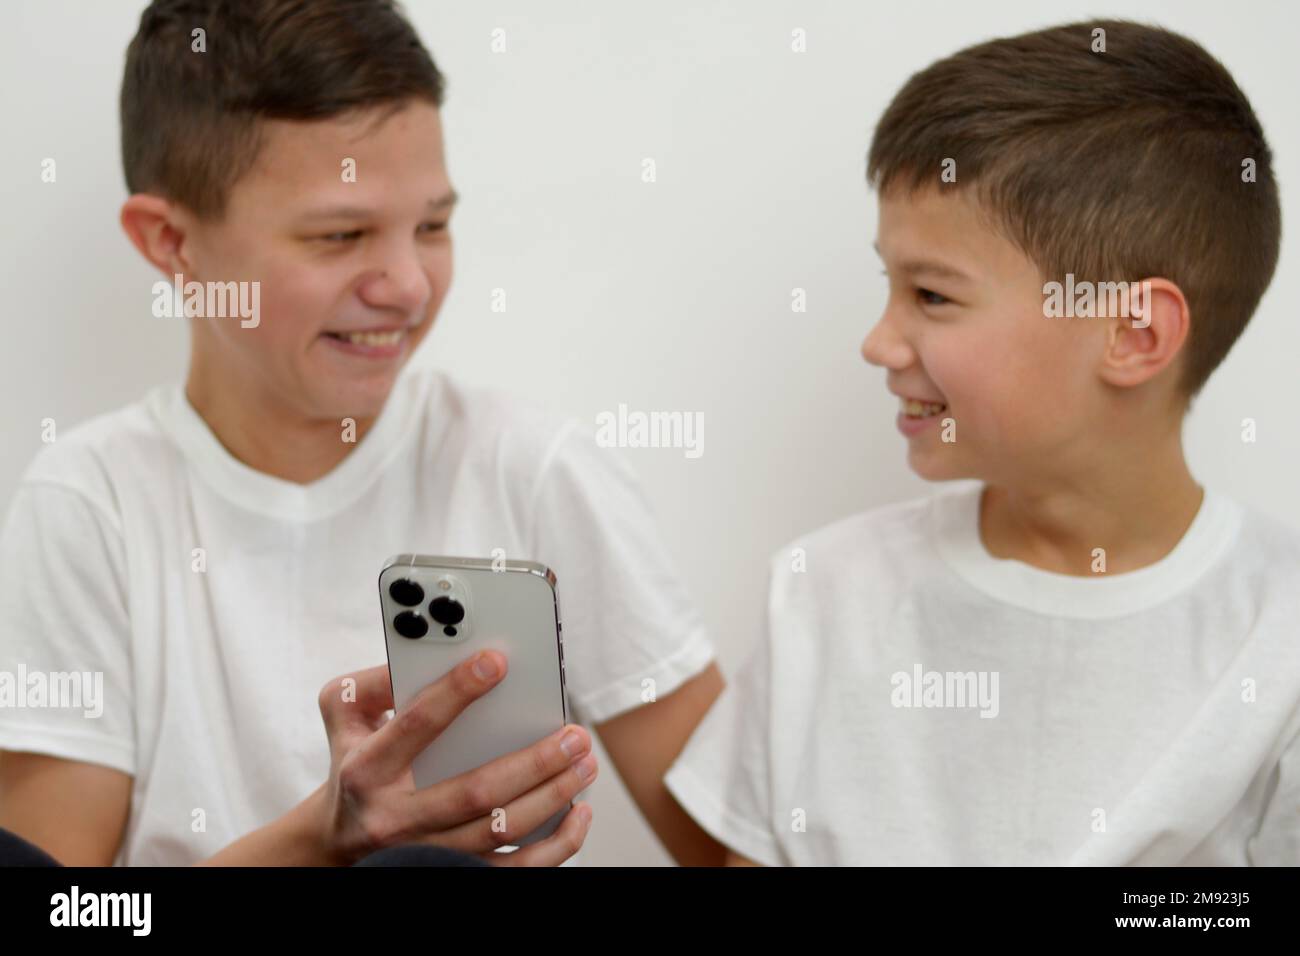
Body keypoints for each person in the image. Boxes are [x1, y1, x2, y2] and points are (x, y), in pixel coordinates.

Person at [0, 0, 725, 867]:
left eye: (432, 226)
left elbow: (737, 852)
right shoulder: (93, 503)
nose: (410, 286)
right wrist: (323, 842)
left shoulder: (529, 470)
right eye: (340, 235)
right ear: (171, 244)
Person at [665, 19, 1300, 866]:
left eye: (930, 294)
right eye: (889, 284)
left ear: (1134, 333)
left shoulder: (1278, 639)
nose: (878, 342)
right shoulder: (828, 595)